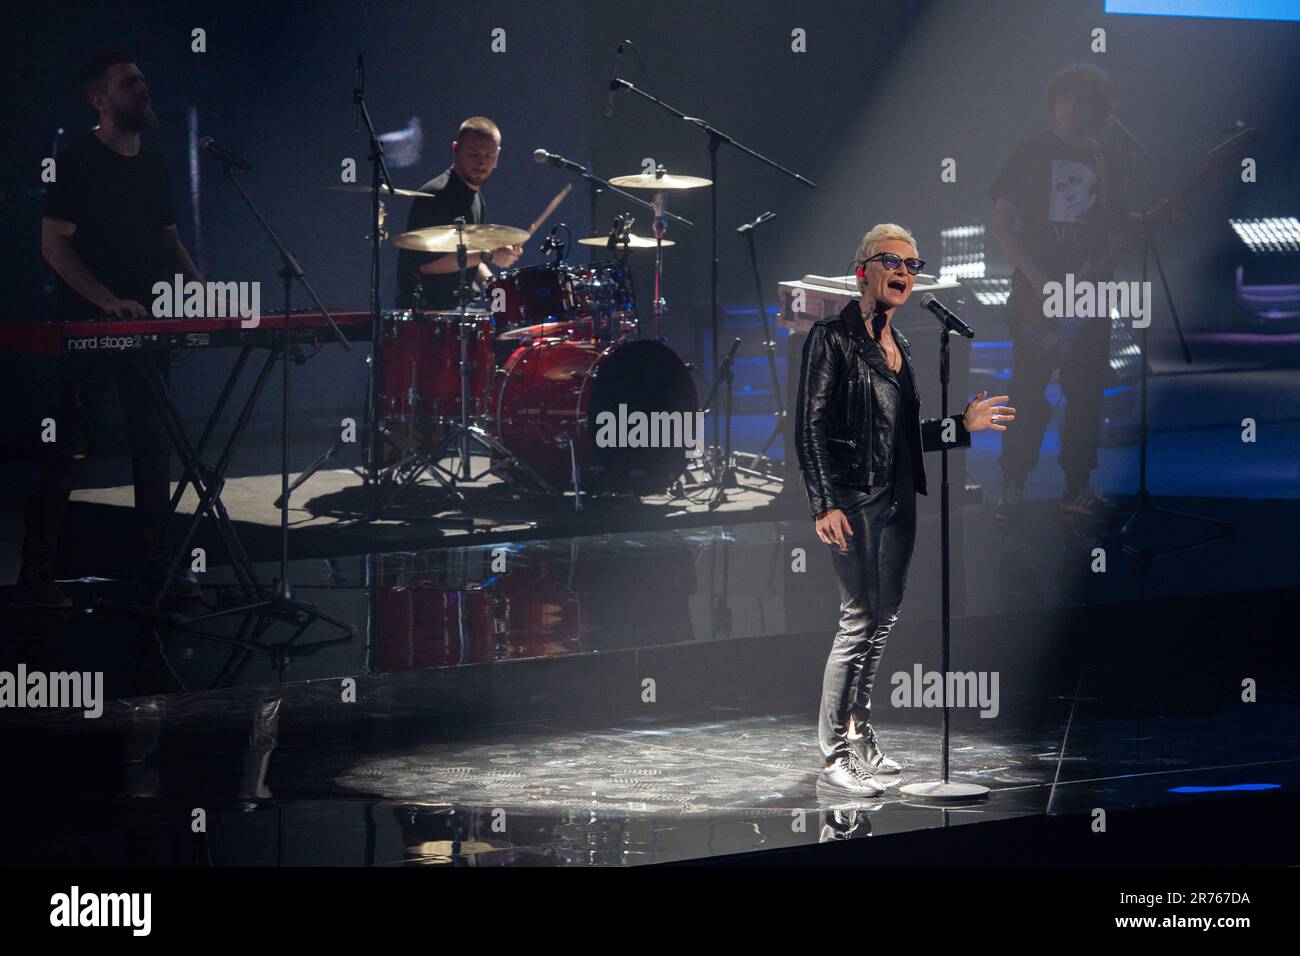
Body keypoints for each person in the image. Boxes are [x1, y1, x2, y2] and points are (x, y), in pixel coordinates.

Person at [795, 223, 1015, 796]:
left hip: (897, 496)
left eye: (913, 265)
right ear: (862, 270)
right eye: (891, 260)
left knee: (884, 616)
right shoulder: (832, 337)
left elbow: (902, 437)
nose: (903, 271)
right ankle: (834, 755)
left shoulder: (904, 346)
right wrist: (824, 503)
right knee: (859, 618)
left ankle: (860, 733)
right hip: (853, 497)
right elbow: (808, 427)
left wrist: (961, 426)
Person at [17, 52, 203, 609]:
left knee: (152, 445)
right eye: (129, 83)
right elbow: (54, 245)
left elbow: (169, 243)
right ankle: (36, 575)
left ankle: (158, 568)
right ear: (100, 99)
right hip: (89, 327)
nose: (143, 88)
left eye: (143, 79)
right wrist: (106, 302)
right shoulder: (76, 159)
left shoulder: (156, 164)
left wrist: (205, 295)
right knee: (70, 447)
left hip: (147, 326)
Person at [989, 63, 1172, 521]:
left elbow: (1114, 222)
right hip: (1037, 292)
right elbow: (1001, 223)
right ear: (1053, 102)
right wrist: (1034, 275)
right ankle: (1013, 483)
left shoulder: (1106, 158)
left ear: (1098, 109)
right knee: (1028, 390)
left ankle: (1077, 486)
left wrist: (1152, 217)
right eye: (1066, 98)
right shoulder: (1030, 153)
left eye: (1084, 101)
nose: (1073, 108)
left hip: (1091, 290)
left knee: (1086, 391)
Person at [394, 116, 522, 312]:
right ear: (455, 149)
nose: (482, 163)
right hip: (427, 313)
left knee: (512, 319)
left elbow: (469, 259)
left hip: (460, 308)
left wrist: (498, 288)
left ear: (498, 155)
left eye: (489, 156)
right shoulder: (436, 194)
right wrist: (489, 255)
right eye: (473, 154)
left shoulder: (478, 199)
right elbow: (426, 264)